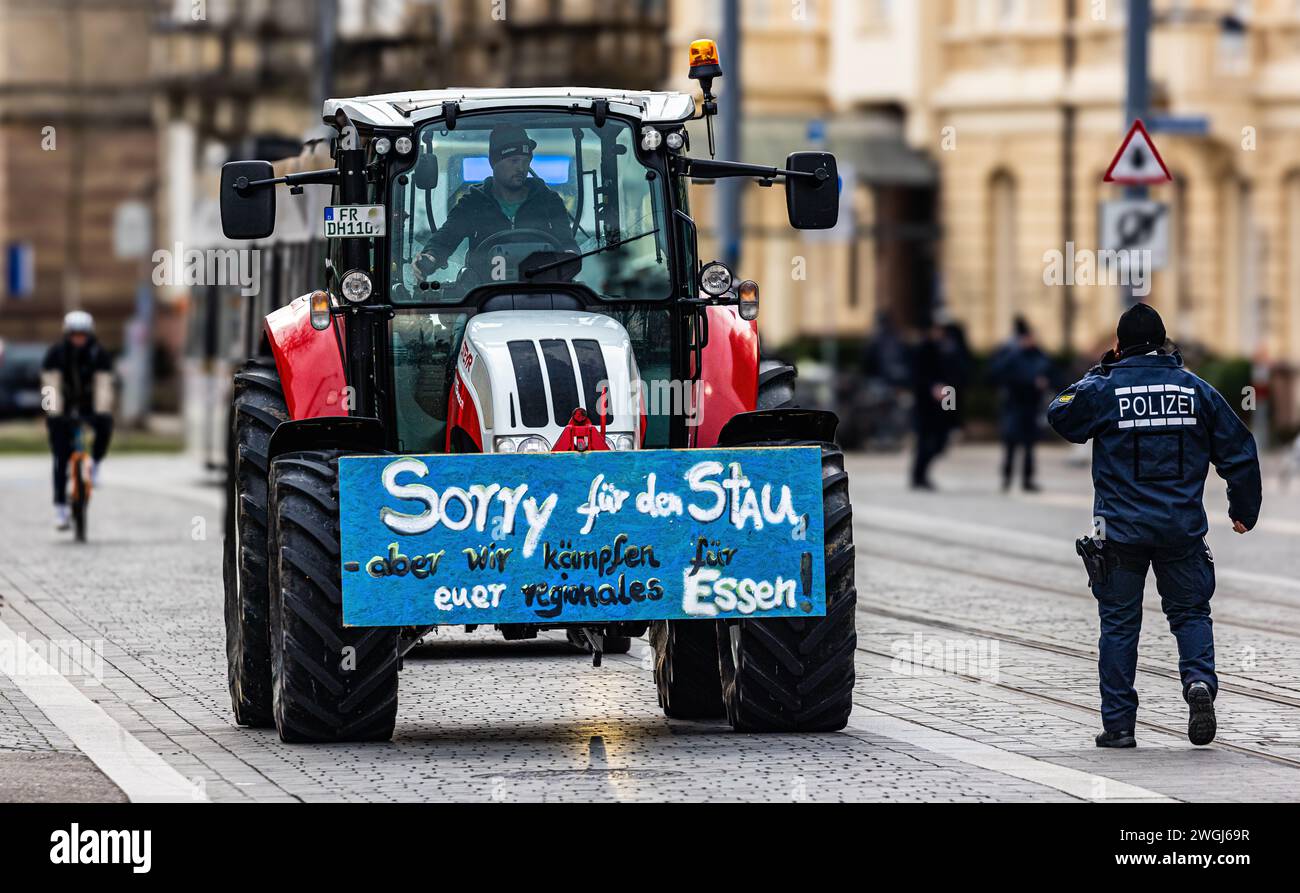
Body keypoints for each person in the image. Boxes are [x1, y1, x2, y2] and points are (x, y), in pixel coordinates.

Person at [1048, 303, 1261, 749]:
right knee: (1190, 614)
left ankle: (1120, 727)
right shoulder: (1196, 390)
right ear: (1165, 343)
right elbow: (1239, 449)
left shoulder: (1105, 388)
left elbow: (1060, 415)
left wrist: (1101, 369)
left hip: (1120, 531)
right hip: (1181, 530)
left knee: (1120, 625)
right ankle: (1199, 683)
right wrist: (1244, 510)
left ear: (1120, 346)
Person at [412, 123, 578, 278]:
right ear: (493, 162)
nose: (521, 168)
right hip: (482, 297)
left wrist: (570, 256)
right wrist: (430, 257)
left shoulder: (548, 201)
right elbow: (445, 239)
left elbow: (567, 244)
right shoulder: (472, 204)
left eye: (526, 161)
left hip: (543, 293)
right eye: (514, 161)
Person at [42, 311, 115, 530]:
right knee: (60, 457)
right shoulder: (55, 354)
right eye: (74, 335)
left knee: (106, 424)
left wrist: (101, 411)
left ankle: (96, 463)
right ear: (67, 334)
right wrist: (53, 412)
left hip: (89, 406)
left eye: (82, 335)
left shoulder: (99, 355)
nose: (79, 339)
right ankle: (61, 509)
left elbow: (104, 385)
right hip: (63, 409)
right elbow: (49, 386)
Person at [989, 316, 1055, 492]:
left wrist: (1044, 382)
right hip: (1013, 404)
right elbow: (996, 373)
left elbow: (1050, 371)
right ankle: (1007, 478)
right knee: (1010, 443)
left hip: (1031, 405)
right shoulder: (1011, 353)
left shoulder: (1037, 354)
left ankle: (1027, 479)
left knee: (1029, 445)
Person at [908, 319, 963, 490]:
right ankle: (919, 476)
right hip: (926, 406)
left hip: (945, 402)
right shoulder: (923, 349)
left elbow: (954, 379)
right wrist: (932, 387)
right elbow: (917, 377)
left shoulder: (947, 348)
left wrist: (954, 415)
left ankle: (921, 474)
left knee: (940, 441)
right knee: (925, 441)